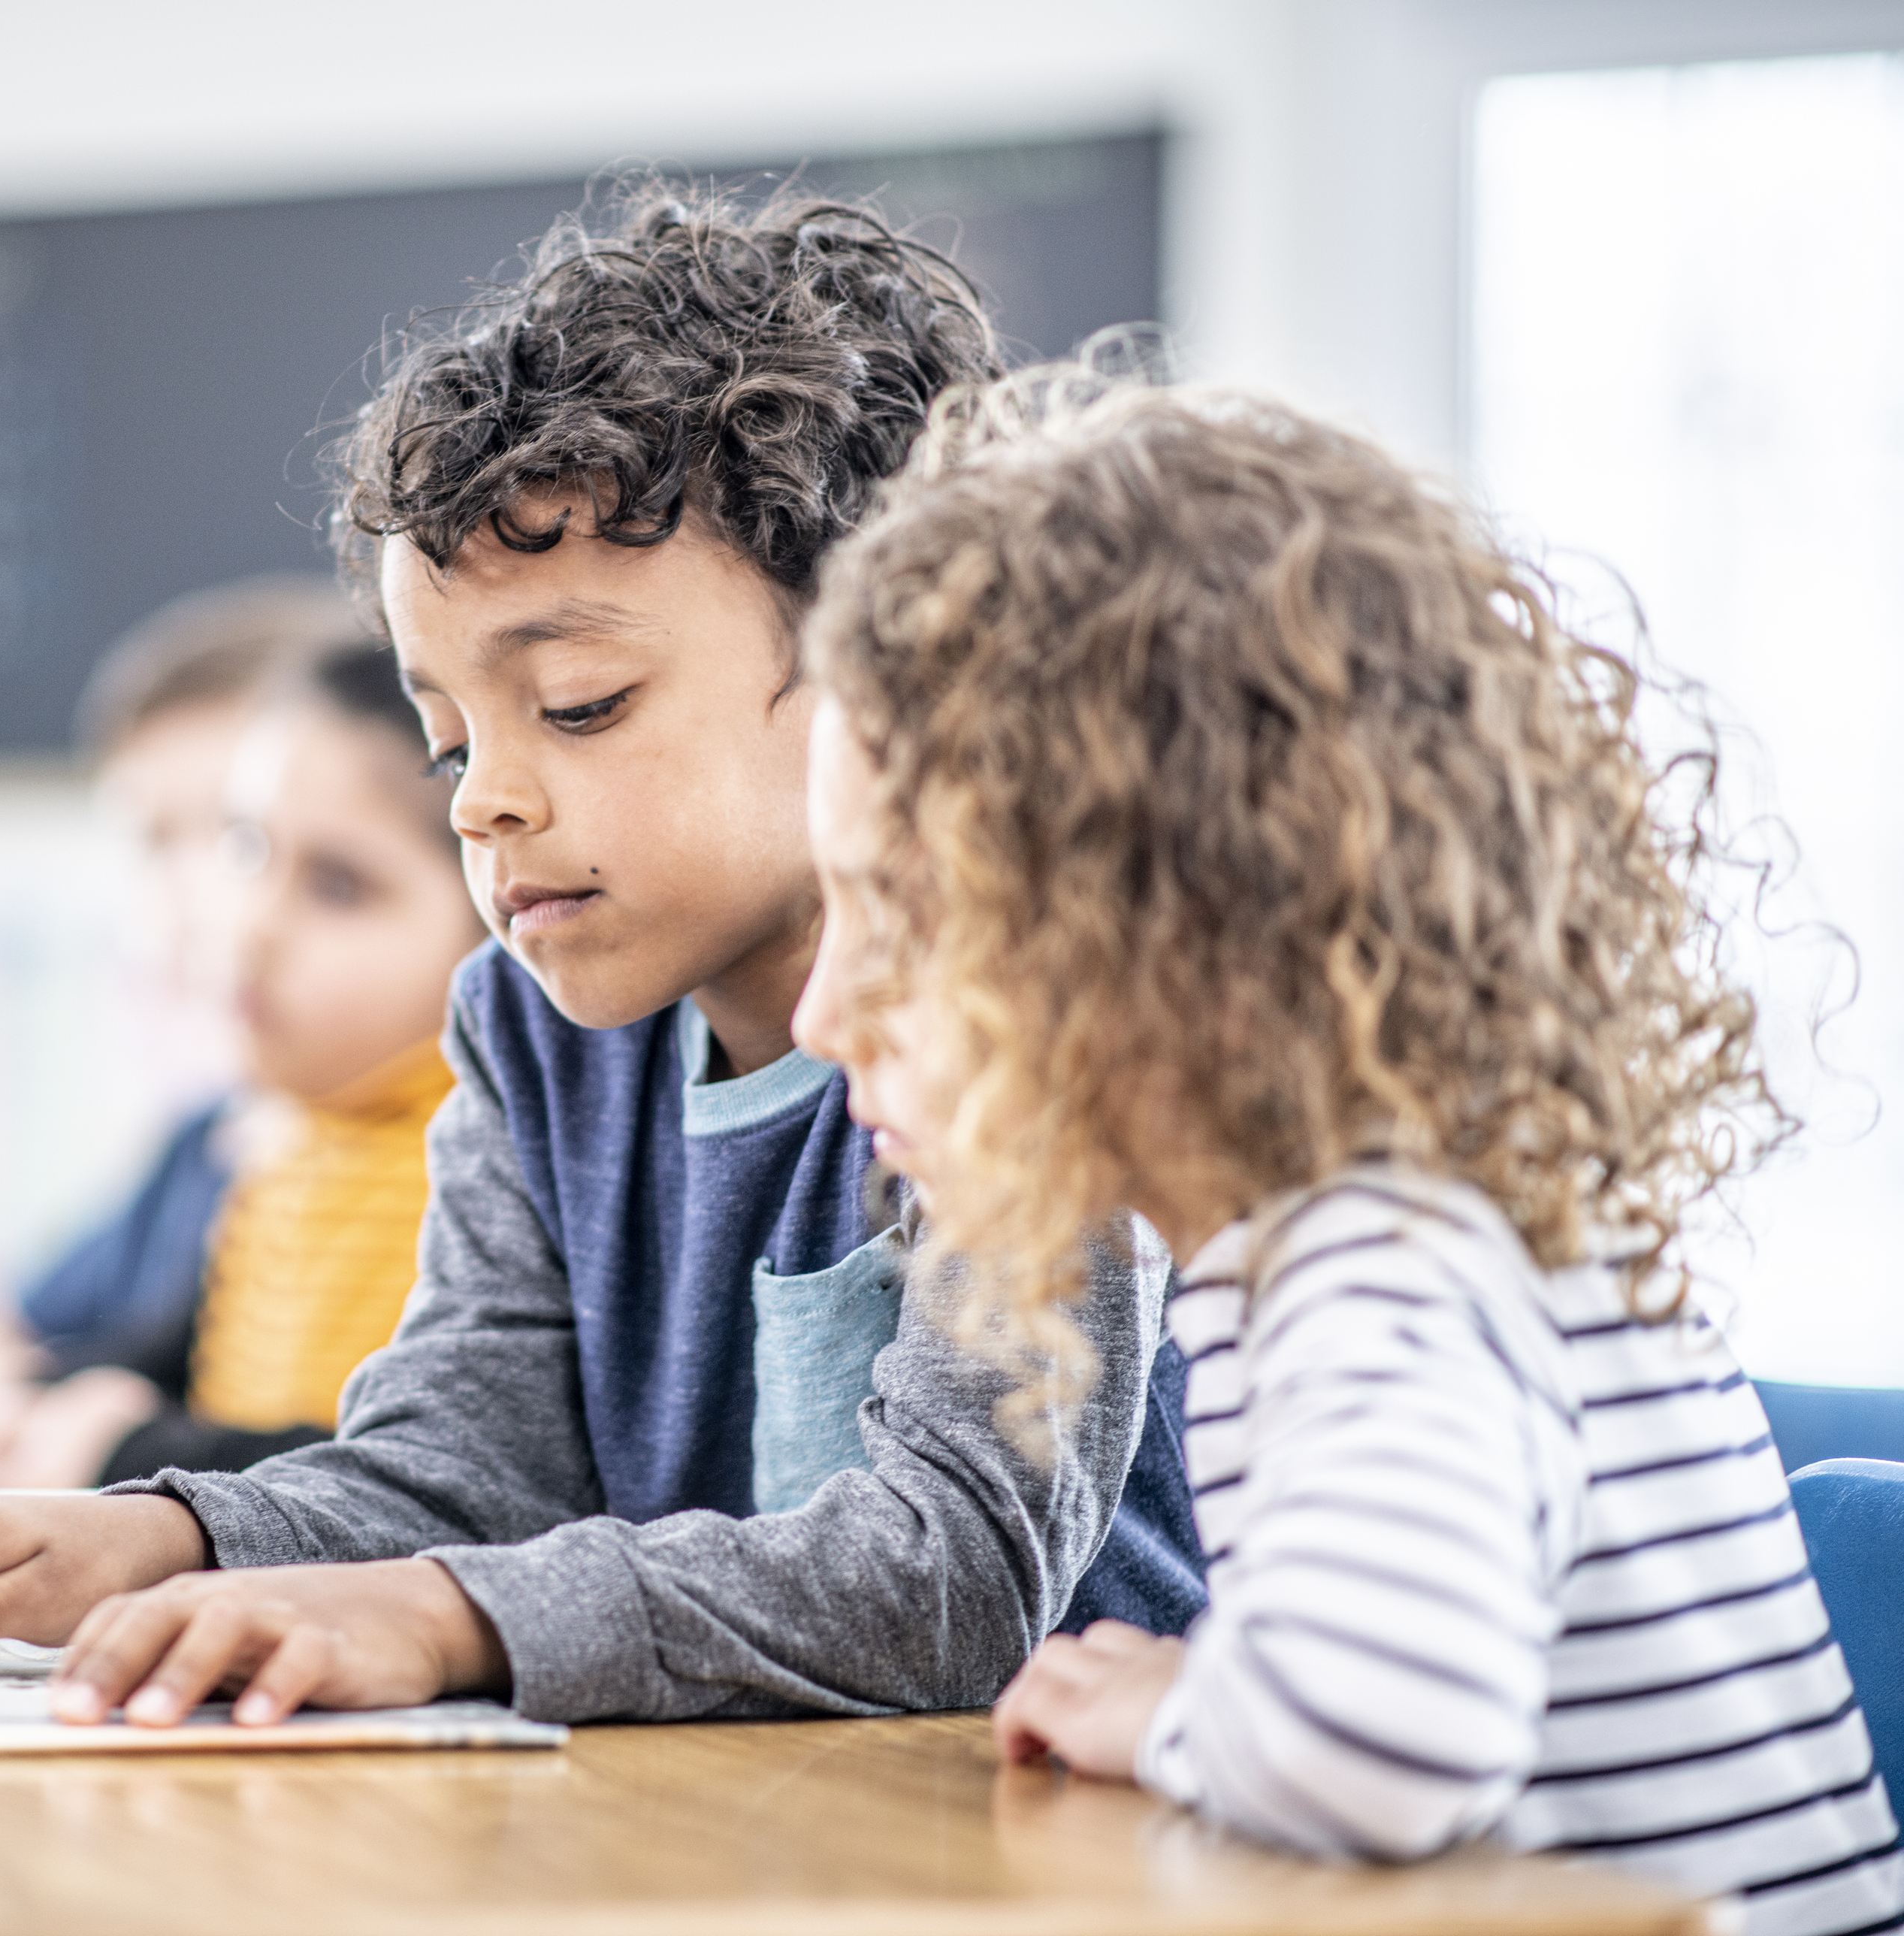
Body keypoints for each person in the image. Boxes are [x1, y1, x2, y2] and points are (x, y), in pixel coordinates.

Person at [0, 183, 1206, 1729]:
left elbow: (951, 1579)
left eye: (578, 702)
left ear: (892, 673)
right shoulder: (531, 1034)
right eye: (446, 734)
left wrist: (449, 1613)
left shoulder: (1014, 1025)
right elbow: (468, 1463)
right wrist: (162, 1533)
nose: (485, 796)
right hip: (728, 1835)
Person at [792, 371, 1899, 1934]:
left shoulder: (1374, 1258)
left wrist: (1172, 1719)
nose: (823, 1005)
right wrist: (1236, 1684)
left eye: (900, 913)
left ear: (1176, 932)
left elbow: (1390, 1748)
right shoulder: (1390, 1219)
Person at [0, 575, 438, 1487]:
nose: (238, 914)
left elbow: (439, 1479)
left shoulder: (489, 1169)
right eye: (244, 844)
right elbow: (115, 1349)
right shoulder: (250, 1147)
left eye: (337, 882)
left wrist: (130, 1446)